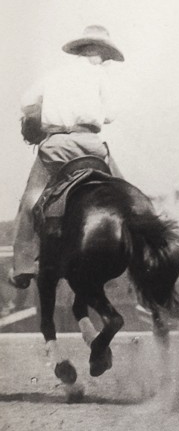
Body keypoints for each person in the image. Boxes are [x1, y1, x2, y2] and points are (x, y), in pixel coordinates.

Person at [9, 25, 126, 289]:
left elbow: (26, 103)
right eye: (105, 54)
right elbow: (110, 115)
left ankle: (24, 266)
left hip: (58, 146)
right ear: (95, 51)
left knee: (31, 199)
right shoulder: (101, 77)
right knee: (124, 191)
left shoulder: (53, 75)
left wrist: (51, 106)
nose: (105, 59)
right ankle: (141, 243)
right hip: (91, 145)